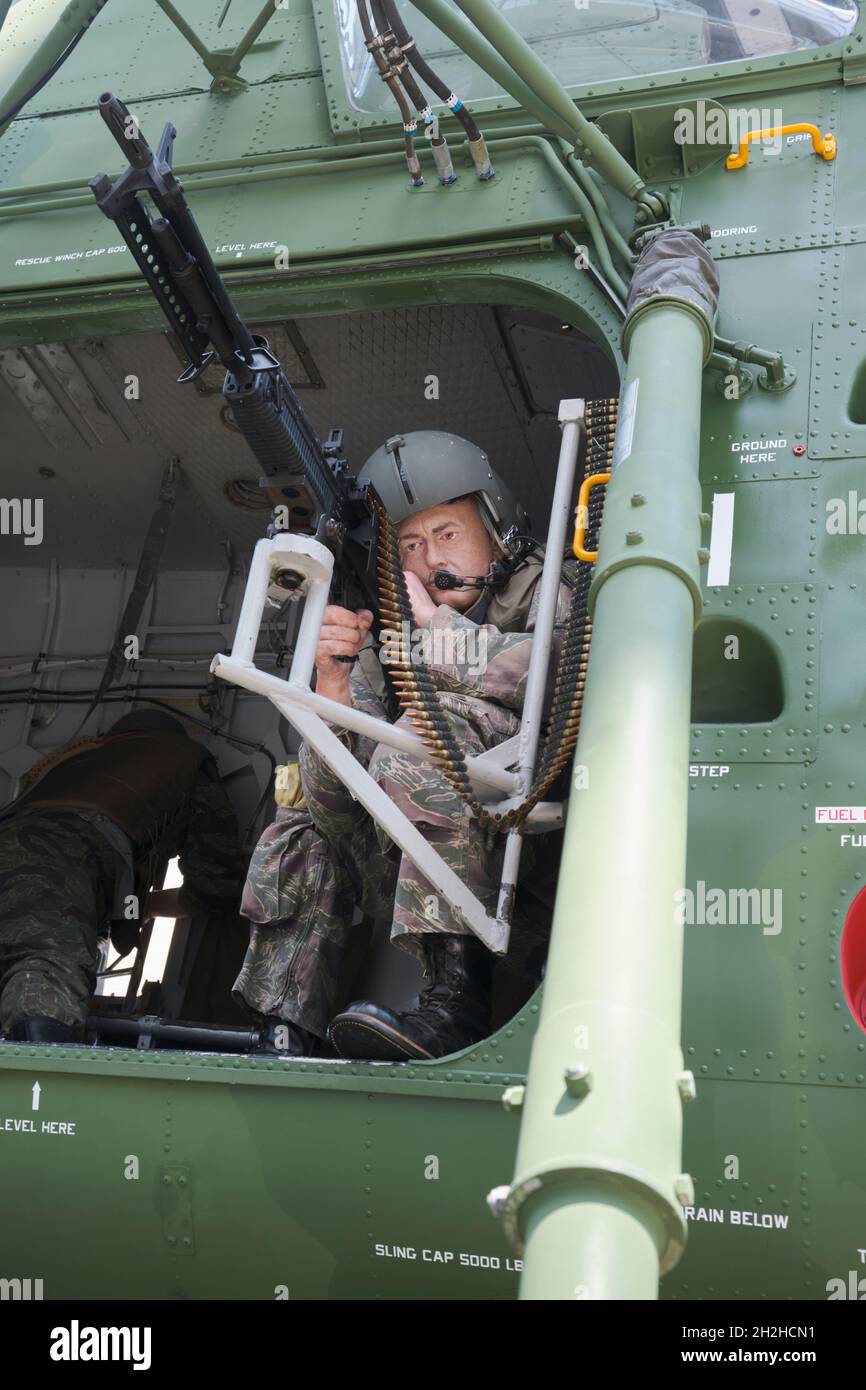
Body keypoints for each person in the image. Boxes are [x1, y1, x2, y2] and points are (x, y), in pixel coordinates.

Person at [234, 429, 573, 1062]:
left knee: (422, 735)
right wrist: (332, 685)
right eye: (410, 545)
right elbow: (338, 801)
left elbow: (556, 678)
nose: (427, 558)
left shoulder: (544, 588)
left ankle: (457, 1004)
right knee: (303, 817)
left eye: (447, 534)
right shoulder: (385, 632)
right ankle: (285, 1025)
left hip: (539, 877)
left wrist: (436, 632)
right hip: (413, 866)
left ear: (495, 528)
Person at [0, 708, 246, 1043]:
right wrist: (150, 906)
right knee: (46, 970)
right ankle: (39, 1086)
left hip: (13, 835)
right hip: (57, 858)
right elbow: (217, 883)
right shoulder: (186, 759)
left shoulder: (73, 760)